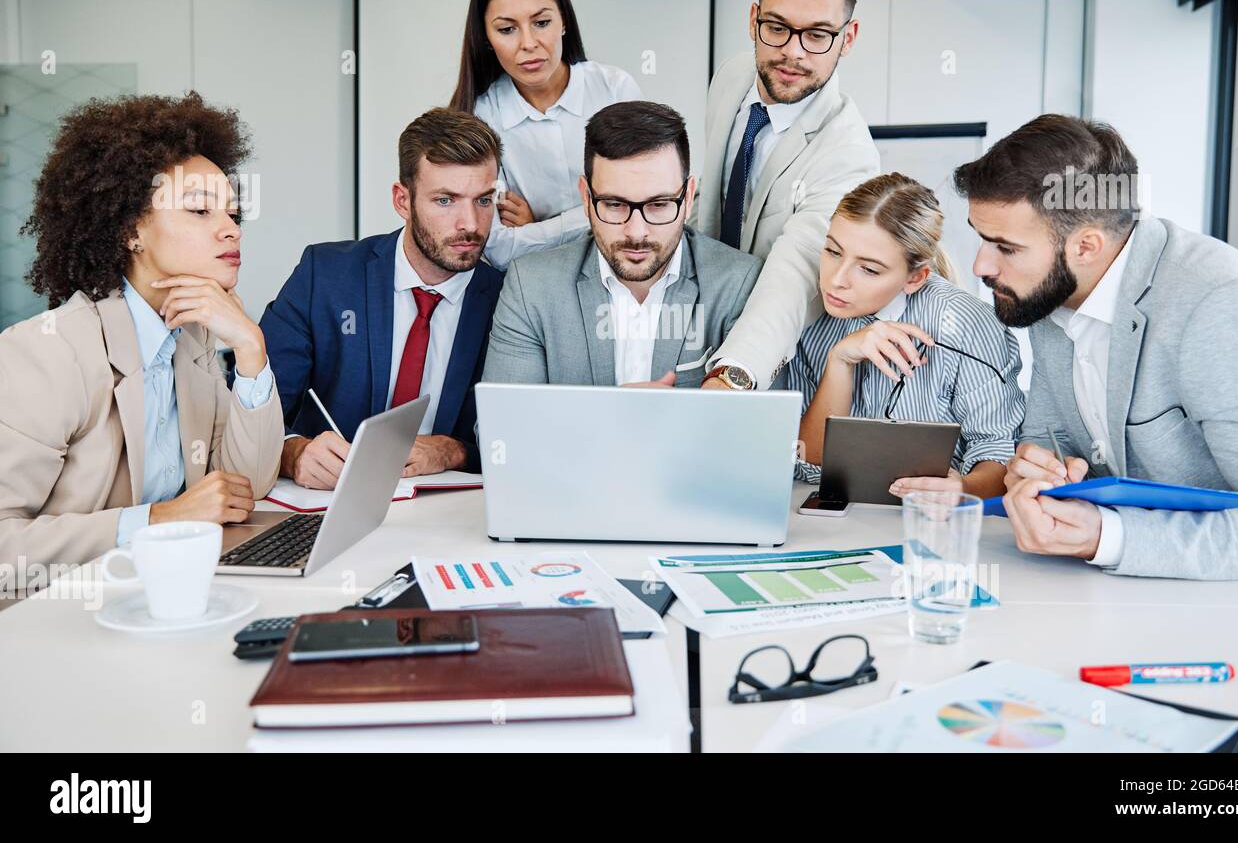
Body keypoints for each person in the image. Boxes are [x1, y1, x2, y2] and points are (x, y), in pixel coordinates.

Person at [956, 113, 1238, 583]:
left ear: (1087, 246)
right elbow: (1047, 450)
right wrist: (1036, 479)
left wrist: (1107, 536)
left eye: (1006, 248)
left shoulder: (1223, 307)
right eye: (981, 238)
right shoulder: (1052, 291)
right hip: (1114, 596)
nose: (981, 265)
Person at [0, 93, 283, 602]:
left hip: (159, 596)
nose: (230, 228)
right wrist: (156, 520)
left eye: (233, 213)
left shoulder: (191, 334)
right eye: (199, 209)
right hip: (57, 624)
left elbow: (246, 486)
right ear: (132, 230)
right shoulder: (49, 352)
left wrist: (249, 347)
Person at [260, 108, 505, 487]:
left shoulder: (508, 300)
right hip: (321, 506)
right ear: (402, 200)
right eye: (445, 200)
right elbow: (250, 413)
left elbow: (518, 440)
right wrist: (293, 453)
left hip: (447, 517)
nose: (470, 224)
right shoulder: (324, 275)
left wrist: (453, 451)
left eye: (483, 200)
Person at [691, 0, 880, 392]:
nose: (792, 52)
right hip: (695, 329)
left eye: (817, 35)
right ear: (754, 19)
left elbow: (796, 274)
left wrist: (734, 373)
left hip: (775, 362)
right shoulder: (734, 75)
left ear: (847, 38)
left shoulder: (849, 154)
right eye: (777, 27)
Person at [483, 100, 760, 388]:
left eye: (659, 204)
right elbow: (508, 428)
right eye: (614, 204)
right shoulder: (531, 287)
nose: (636, 232)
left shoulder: (739, 284)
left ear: (688, 197)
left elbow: (761, 427)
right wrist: (624, 418)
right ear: (586, 198)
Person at [791, 174, 1025, 499]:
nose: (837, 280)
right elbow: (807, 462)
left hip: (937, 522)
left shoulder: (965, 323)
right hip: (840, 524)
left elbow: (1000, 454)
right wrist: (839, 362)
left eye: (869, 269)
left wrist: (960, 489)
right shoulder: (810, 316)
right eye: (832, 251)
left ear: (915, 278)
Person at [451, 0, 643, 268]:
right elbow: (497, 248)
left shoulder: (615, 91)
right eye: (507, 29)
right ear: (485, 37)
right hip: (535, 293)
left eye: (541, 22)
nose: (528, 43)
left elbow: (641, 205)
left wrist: (538, 228)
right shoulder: (481, 118)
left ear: (563, 21)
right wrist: (601, 209)